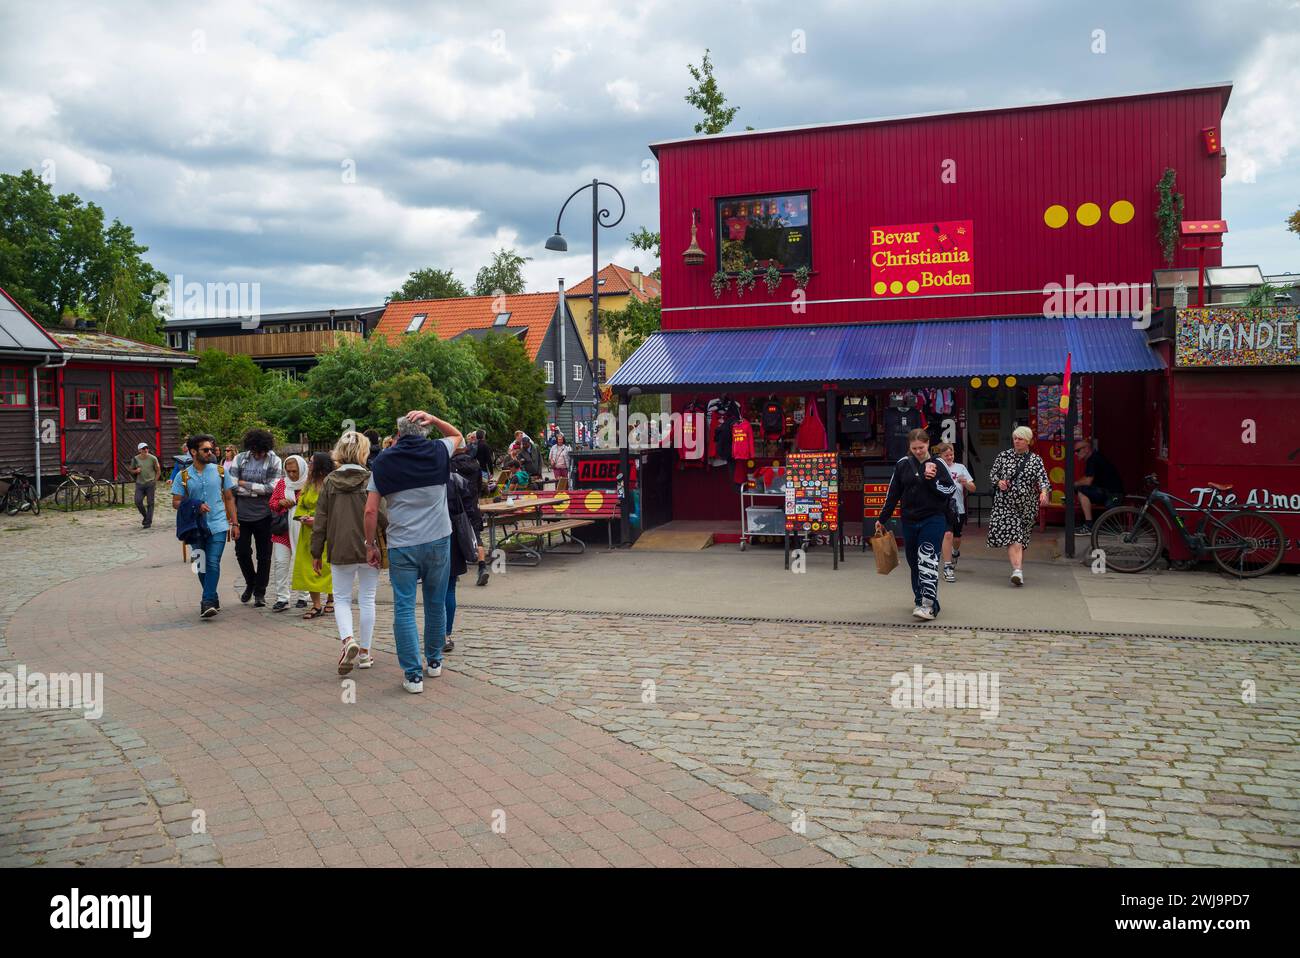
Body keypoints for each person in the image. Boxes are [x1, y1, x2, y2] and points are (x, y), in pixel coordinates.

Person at [365, 410, 464, 694]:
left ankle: (412, 676)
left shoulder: (384, 461)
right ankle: (434, 661)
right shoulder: (438, 450)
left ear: (398, 435)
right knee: (435, 603)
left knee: (404, 608)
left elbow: (371, 510)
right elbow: (457, 435)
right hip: (438, 541)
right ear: (424, 431)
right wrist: (434, 419)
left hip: (403, 544)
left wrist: (370, 545)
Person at [311, 432, 386, 675]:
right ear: (364, 452)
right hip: (369, 546)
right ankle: (364, 652)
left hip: (339, 546)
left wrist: (315, 551)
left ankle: (348, 640)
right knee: (367, 598)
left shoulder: (330, 481)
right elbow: (383, 516)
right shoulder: (371, 479)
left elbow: (320, 519)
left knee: (341, 598)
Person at [875, 428, 956, 621]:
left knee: (927, 558)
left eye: (921, 447)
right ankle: (919, 599)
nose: (918, 451)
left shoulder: (938, 463)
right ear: (909, 447)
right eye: (914, 448)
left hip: (933, 518)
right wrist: (882, 518)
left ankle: (929, 605)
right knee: (914, 562)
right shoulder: (903, 464)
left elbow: (949, 489)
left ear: (928, 444)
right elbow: (893, 493)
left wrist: (932, 479)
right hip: (910, 519)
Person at [171, 434, 238, 619]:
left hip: (218, 525)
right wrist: (195, 504)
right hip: (195, 527)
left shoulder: (220, 471)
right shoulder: (182, 476)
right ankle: (213, 597)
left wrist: (235, 523)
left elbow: (229, 498)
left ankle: (207, 601)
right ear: (193, 452)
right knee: (198, 564)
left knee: (212, 561)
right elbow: (176, 502)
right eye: (205, 450)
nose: (210, 452)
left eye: (211, 449)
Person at [987, 425, 1052, 586]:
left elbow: (1043, 479)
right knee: (1014, 536)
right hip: (1006, 503)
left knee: (1021, 538)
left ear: (1028, 441)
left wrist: (1044, 492)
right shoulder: (1004, 456)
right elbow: (993, 474)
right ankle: (1017, 571)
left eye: (1020, 439)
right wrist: (999, 482)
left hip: (1027, 505)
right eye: (1015, 438)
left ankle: (1018, 567)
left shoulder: (1035, 460)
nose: (1016, 441)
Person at [229, 429, 283, 607]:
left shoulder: (275, 460)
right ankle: (250, 582)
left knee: (264, 556)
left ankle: (260, 592)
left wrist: (245, 484)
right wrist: (256, 490)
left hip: (265, 515)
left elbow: (272, 488)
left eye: (261, 452)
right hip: (242, 515)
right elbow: (232, 485)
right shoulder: (240, 459)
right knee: (242, 552)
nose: (258, 455)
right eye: (255, 451)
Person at [292, 452, 334, 618]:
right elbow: (300, 503)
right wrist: (302, 517)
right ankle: (316, 605)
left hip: (327, 531)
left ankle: (331, 598)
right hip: (308, 532)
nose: (309, 465)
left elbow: (336, 508)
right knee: (308, 567)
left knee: (328, 567)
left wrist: (317, 519)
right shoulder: (308, 484)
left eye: (311, 463)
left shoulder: (331, 483)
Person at [268, 454, 307, 612]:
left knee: (302, 562)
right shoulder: (283, 484)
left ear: (302, 469)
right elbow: (272, 502)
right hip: (283, 530)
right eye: (288, 471)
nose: (291, 475)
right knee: (280, 563)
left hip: (303, 530)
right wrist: (281, 503)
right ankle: (282, 597)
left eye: (294, 471)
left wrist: (298, 504)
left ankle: (304, 595)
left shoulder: (309, 484)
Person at [932, 442, 976, 583]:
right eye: (946, 455)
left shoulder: (960, 467)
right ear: (940, 456)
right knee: (947, 534)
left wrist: (965, 483)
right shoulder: (936, 468)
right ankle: (947, 567)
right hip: (942, 507)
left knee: (956, 538)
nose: (950, 457)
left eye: (951, 454)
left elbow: (973, 488)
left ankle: (955, 552)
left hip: (958, 508)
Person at [1074, 437, 1123, 534]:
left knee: (1081, 490)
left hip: (1112, 495)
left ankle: (1089, 526)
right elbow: (1088, 478)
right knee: (1081, 489)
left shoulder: (1093, 459)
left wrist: (1073, 484)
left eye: (1078, 450)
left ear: (1087, 449)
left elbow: (1088, 481)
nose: (1076, 453)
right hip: (1112, 492)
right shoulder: (1095, 457)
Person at [128, 441, 161, 528]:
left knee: (150, 503)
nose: (146, 450)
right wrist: (136, 471)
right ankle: (146, 517)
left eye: (147, 448)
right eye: (143, 448)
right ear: (139, 450)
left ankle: (148, 522)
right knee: (138, 501)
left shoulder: (153, 458)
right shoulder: (135, 459)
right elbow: (130, 470)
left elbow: (158, 470)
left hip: (150, 483)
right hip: (140, 484)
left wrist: (155, 481)